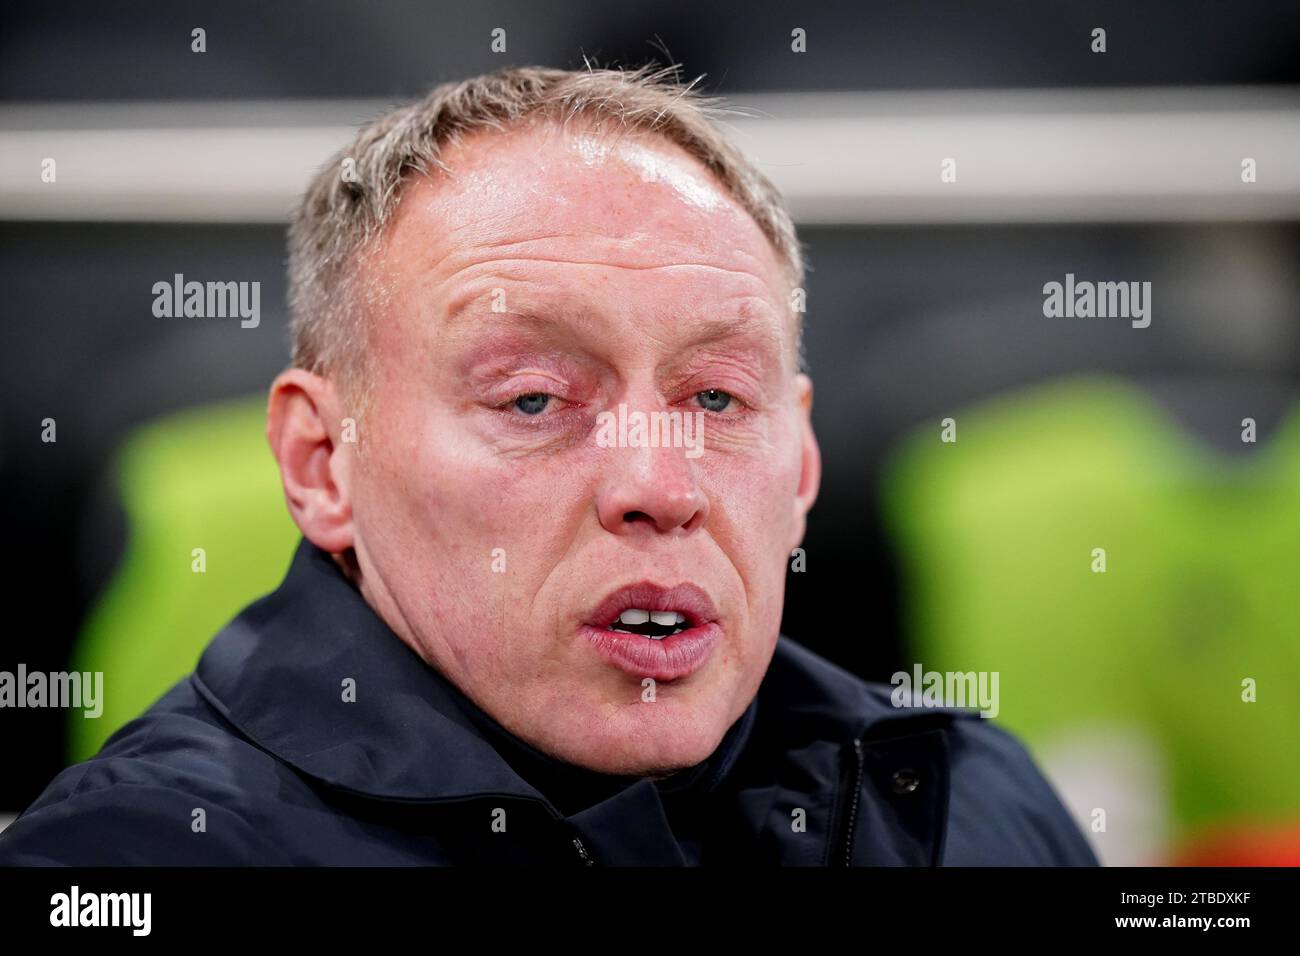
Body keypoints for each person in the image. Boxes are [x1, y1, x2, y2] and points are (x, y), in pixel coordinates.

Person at [0, 65, 1097, 866]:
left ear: (802, 459)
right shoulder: (129, 859)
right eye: (533, 400)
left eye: (715, 398)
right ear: (321, 461)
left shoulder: (968, 800)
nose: (660, 488)